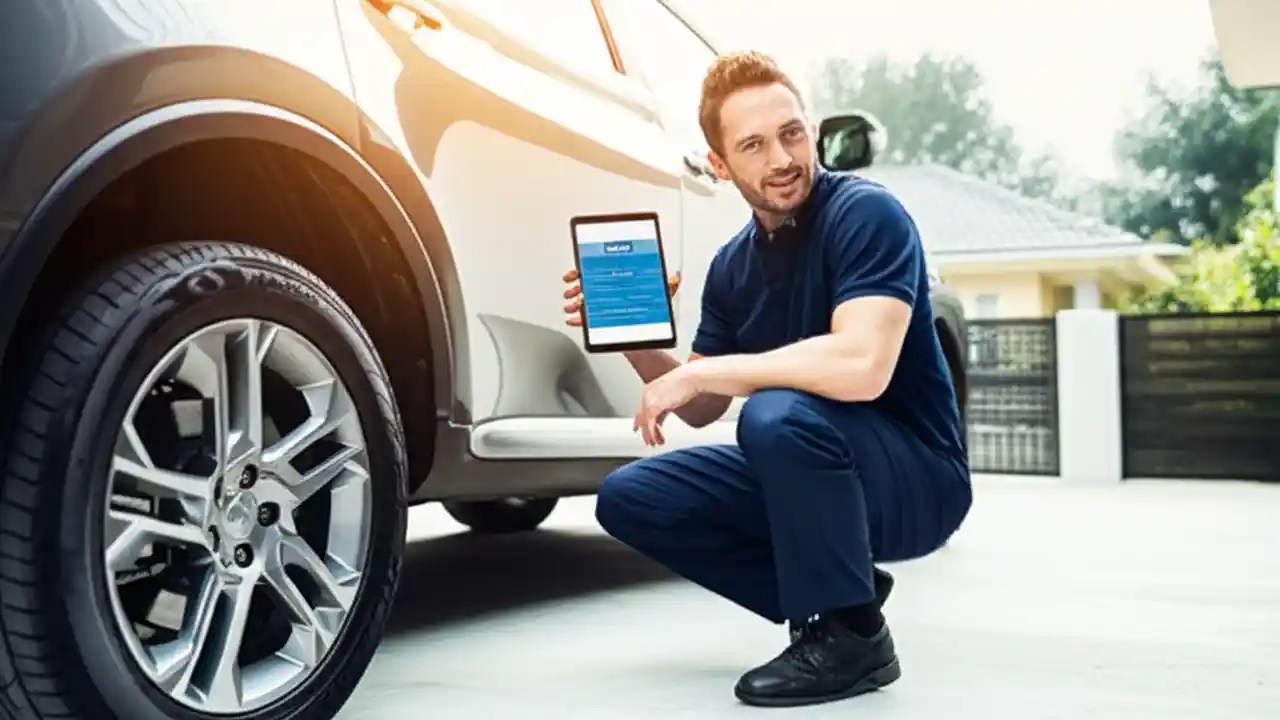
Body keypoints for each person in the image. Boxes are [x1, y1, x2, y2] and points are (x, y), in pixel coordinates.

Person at [561, 51, 972, 708]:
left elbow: (862, 368)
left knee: (772, 413)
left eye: (791, 133)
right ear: (720, 165)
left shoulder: (867, 215)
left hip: (917, 480)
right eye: (753, 145)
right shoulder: (732, 268)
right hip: (815, 474)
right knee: (631, 497)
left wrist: (720, 371)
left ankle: (853, 636)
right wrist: (636, 337)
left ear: (810, 130)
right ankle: (845, 589)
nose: (781, 158)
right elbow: (699, 407)